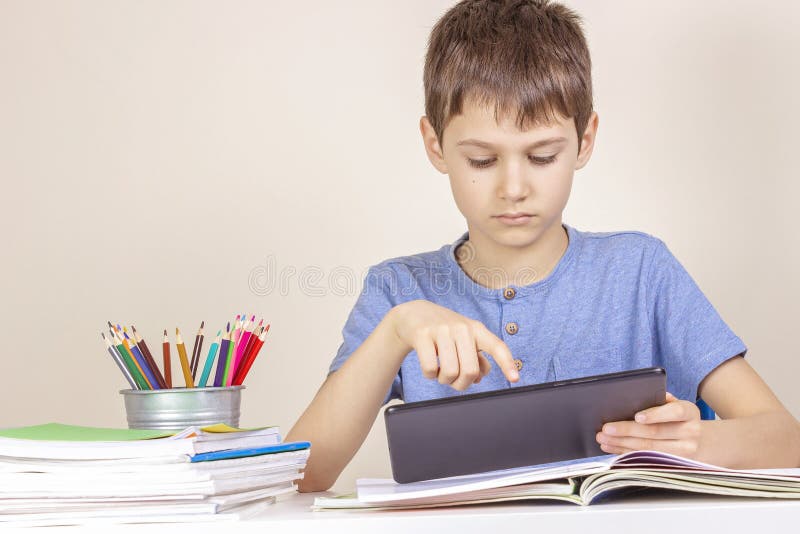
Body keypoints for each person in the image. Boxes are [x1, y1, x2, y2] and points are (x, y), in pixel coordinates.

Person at [286, 0, 800, 491]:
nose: (513, 187)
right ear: (435, 145)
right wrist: (396, 331)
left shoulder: (642, 270)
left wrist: (700, 441)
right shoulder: (398, 290)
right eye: (482, 161)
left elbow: (787, 439)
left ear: (585, 139)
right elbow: (302, 472)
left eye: (543, 156)